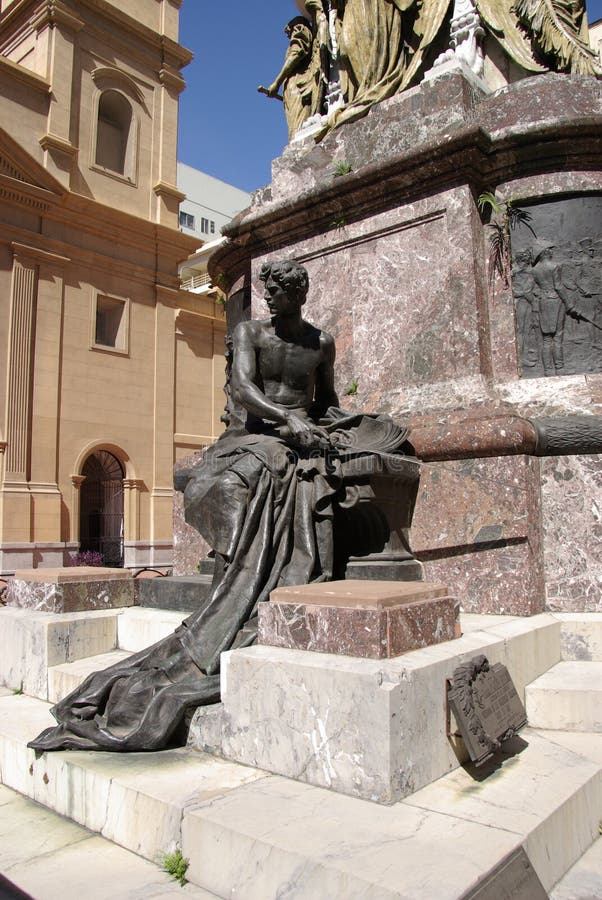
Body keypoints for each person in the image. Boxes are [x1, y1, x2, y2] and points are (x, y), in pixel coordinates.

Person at [30, 260, 418, 752]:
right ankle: (243, 572)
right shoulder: (251, 332)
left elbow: (326, 400)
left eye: (277, 293)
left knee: (299, 467)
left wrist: (338, 426)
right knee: (262, 470)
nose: (269, 299)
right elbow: (242, 388)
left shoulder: (320, 343)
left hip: (299, 434)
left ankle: (257, 570)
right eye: (267, 292)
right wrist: (287, 421)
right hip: (253, 434)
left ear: (297, 295)